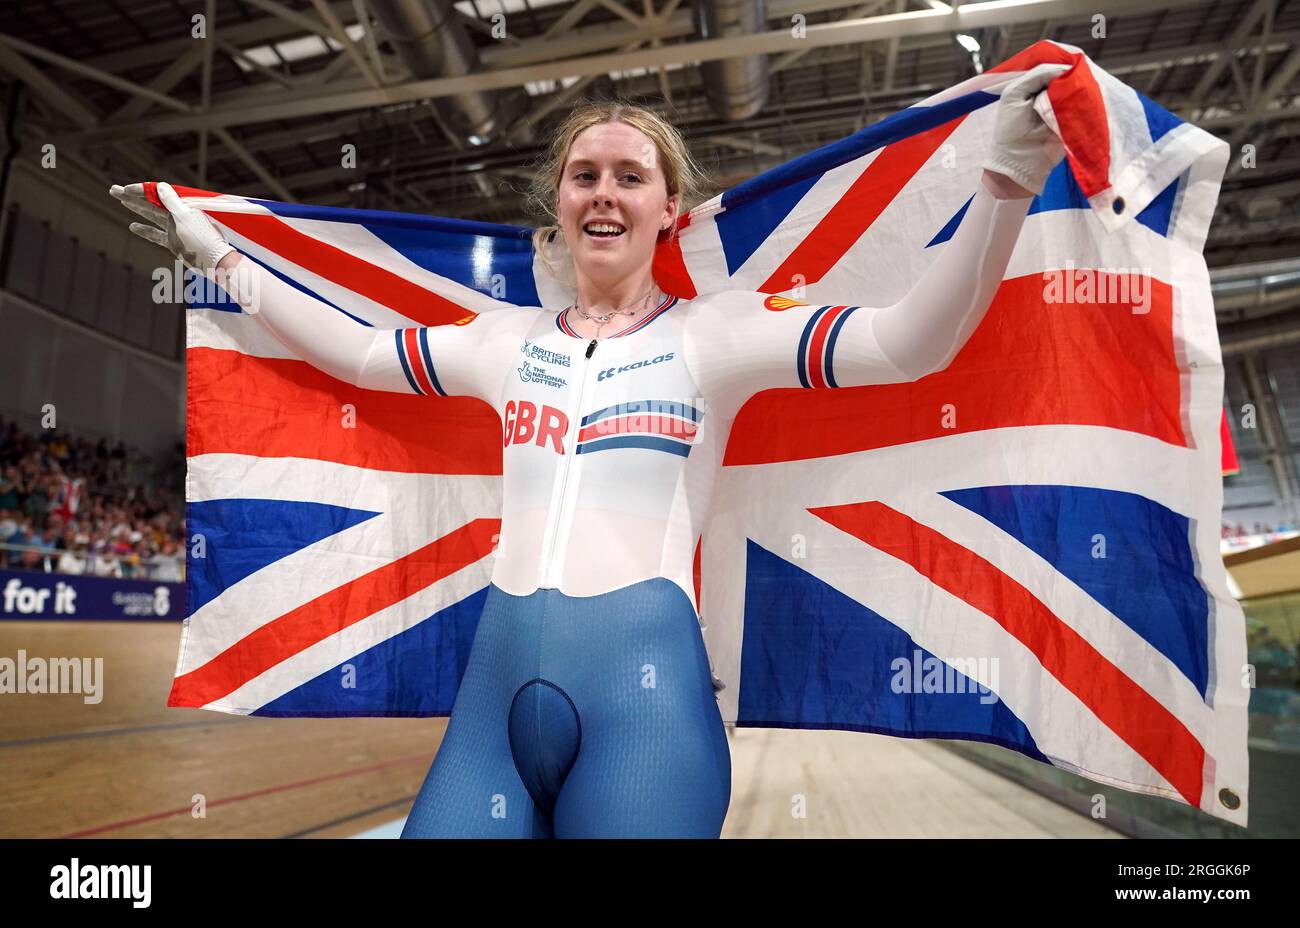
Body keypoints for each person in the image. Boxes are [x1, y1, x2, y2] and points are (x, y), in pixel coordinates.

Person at [110, 64, 1065, 838]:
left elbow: (910, 344)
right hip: (491, 706)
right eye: (584, 176)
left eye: (629, 176)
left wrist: (1005, 183)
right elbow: (361, 353)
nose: (604, 193)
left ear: (667, 205)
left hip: (644, 713)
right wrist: (222, 259)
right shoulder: (499, 343)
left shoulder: (717, 335)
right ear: (560, 203)